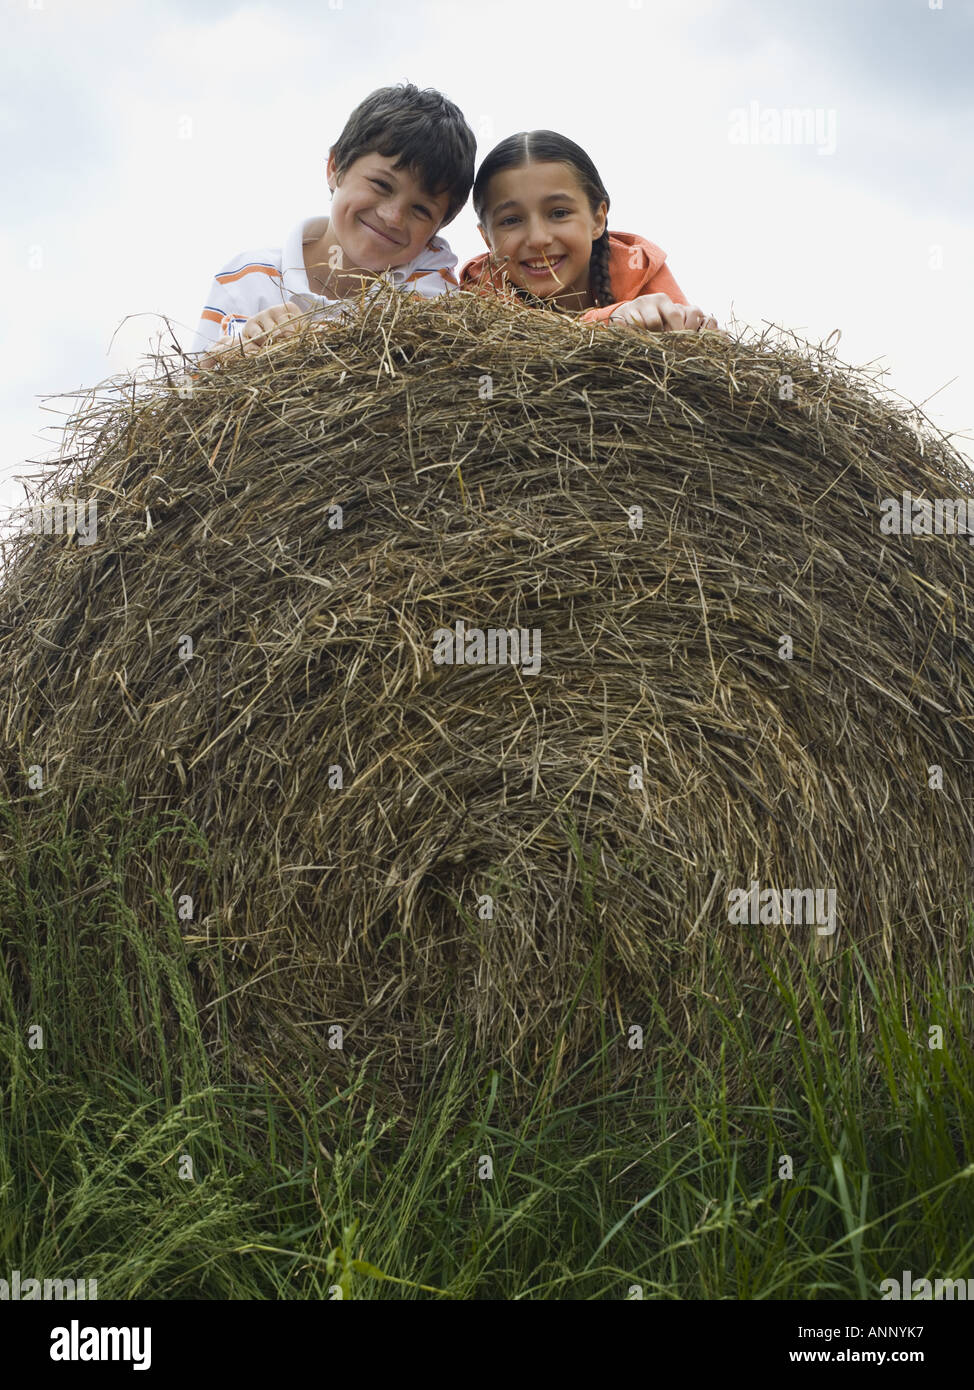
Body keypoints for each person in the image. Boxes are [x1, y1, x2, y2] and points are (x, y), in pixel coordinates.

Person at [192, 83, 476, 365]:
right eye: (380, 184)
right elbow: (190, 396)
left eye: (421, 209)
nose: (393, 217)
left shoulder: (428, 276)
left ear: (441, 224)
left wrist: (296, 341)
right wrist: (226, 358)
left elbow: (418, 357)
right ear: (334, 168)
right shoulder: (246, 280)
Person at [460, 130, 719, 333]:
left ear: (598, 220)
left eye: (559, 213)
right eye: (511, 220)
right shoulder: (481, 291)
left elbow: (687, 347)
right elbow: (520, 343)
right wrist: (610, 319)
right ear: (487, 239)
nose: (539, 238)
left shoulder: (638, 267)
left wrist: (695, 332)